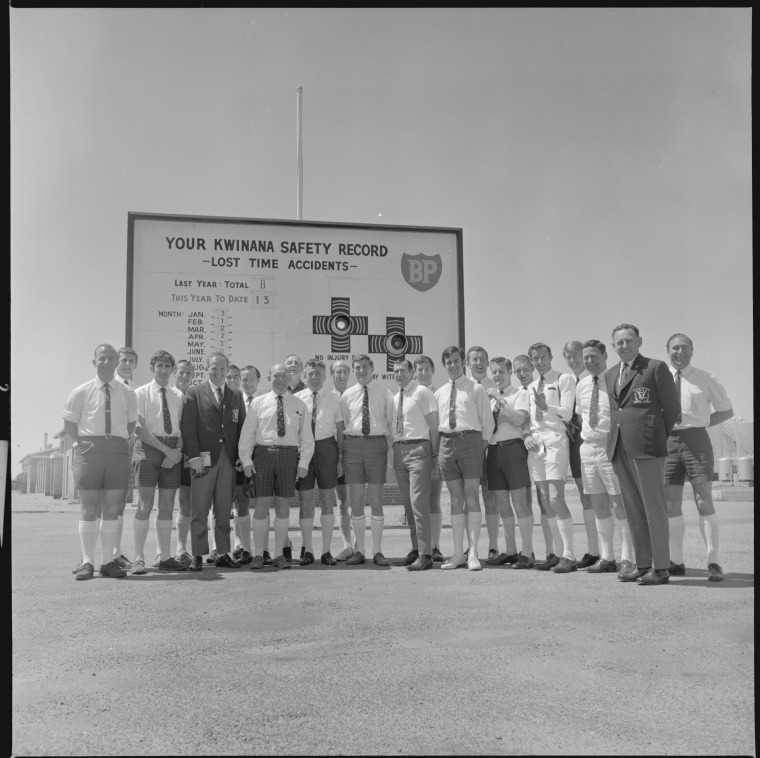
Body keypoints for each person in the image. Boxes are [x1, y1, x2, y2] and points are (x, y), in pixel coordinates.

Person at [606, 323, 680, 585]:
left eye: (629, 341)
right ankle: (643, 563)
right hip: (619, 446)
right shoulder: (610, 374)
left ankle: (661, 568)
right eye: (619, 342)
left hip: (647, 446)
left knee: (653, 508)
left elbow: (672, 410)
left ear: (639, 342)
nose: (624, 346)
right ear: (613, 346)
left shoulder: (655, 367)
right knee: (633, 509)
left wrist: (655, 435)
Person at [664, 333, 733, 582]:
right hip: (668, 442)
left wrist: (701, 423)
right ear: (667, 350)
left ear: (692, 350)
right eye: (674, 348)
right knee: (671, 505)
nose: (679, 352)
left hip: (696, 441)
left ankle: (713, 562)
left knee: (704, 502)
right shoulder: (660, 378)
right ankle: (676, 561)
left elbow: (726, 410)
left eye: (684, 348)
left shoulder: (705, 378)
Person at [65, 344, 138, 580]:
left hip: (117, 449)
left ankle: (108, 562)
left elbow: (130, 425)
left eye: (111, 358)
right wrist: (83, 444)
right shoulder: (80, 391)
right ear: (94, 362)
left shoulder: (127, 393)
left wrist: (117, 443)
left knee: (112, 507)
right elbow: (69, 424)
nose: (107, 362)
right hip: (89, 450)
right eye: (102, 358)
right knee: (89, 507)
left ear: (117, 361)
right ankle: (88, 562)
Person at [239, 363, 314, 569]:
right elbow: (247, 435)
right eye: (276, 377)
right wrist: (246, 460)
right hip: (263, 454)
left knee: (283, 506)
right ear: (269, 378)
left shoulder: (299, 405)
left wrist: (304, 462)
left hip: (289, 456)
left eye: (284, 376)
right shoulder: (259, 403)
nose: (280, 380)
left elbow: (306, 437)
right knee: (261, 505)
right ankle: (258, 555)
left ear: (289, 378)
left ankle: (280, 554)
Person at [180, 351, 247, 571]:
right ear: (207, 368)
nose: (218, 373)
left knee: (223, 509)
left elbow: (241, 430)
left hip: (228, 460)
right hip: (203, 461)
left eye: (222, 369)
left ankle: (223, 553)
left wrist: (240, 457)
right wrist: (194, 457)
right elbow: (188, 429)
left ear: (227, 370)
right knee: (199, 509)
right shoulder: (194, 393)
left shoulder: (236, 395)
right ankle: (198, 554)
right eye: (214, 368)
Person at [576, 340, 636, 574]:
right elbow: (582, 416)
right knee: (599, 505)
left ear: (604, 355)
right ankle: (607, 557)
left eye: (594, 356)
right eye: (586, 357)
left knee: (619, 504)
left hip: (611, 448)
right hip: (588, 448)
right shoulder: (581, 385)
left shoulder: (615, 380)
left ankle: (627, 558)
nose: (590, 361)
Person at [434, 346, 494, 571]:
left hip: (471, 441)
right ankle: (458, 553)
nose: (453, 365)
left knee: (471, 497)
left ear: (463, 363)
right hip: (446, 443)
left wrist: (481, 446)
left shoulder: (475, 388)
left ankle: (473, 554)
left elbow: (487, 423)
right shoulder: (439, 393)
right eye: (448, 362)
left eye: (456, 361)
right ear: (444, 365)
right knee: (455, 499)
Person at [130, 350, 187, 574]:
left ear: (173, 370)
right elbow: (139, 428)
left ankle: (165, 556)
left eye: (167, 366)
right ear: (152, 368)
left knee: (166, 506)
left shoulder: (178, 396)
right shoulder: (141, 393)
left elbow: (182, 428)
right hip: (148, 449)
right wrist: (166, 451)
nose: (163, 370)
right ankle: (138, 558)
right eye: (159, 366)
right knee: (144, 505)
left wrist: (177, 451)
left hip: (172, 449)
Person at [523, 342, 577, 574]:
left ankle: (570, 555)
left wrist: (547, 406)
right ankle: (555, 554)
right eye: (535, 359)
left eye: (543, 357)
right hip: (536, 445)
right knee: (545, 501)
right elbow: (527, 419)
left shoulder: (563, 379)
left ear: (551, 356)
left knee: (556, 498)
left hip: (555, 440)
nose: (539, 362)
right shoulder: (531, 386)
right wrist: (526, 436)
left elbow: (567, 413)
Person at [339, 354, 395, 566]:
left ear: (372, 367)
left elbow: (389, 424)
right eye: (357, 368)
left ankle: (378, 551)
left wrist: (388, 453)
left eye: (364, 367)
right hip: (352, 446)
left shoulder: (385, 393)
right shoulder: (347, 395)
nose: (361, 371)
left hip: (376, 445)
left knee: (377, 501)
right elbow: (345, 421)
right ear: (353, 371)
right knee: (356, 501)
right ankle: (359, 550)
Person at [485, 357, 534, 568]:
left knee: (520, 503)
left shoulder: (519, 394)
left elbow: (518, 420)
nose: (497, 376)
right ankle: (511, 550)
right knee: (502, 505)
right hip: (494, 451)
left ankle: (528, 552)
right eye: (493, 372)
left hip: (513, 449)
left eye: (501, 372)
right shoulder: (489, 400)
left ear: (509, 373)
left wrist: (501, 400)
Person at [296, 359, 344, 565]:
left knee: (326, 501)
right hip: (303, 450)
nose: (314, 377)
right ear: (304, 376)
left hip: (326, 449)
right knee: (306, 502)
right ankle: (307, 550)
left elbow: (340, 430)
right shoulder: (296, 399)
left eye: (318, 374)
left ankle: (326, 551)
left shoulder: (335, 399)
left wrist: (340, 457)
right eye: (311, 374)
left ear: (325, 376)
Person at [392, 359, 439, 571]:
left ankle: (426, 554)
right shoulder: (395, 397)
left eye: (403, 370)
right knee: (408, 506)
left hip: (419, 450)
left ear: (412, 372)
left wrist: (435, 454)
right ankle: (416, 548)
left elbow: (434, 426)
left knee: (418, 503)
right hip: (399, 450)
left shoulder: (422, 392)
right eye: (395, 371)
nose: (399, 374)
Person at [466, 346, 505, 564]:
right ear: (467, 363)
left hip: (491, 448)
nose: (479, 363)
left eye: (482, 359)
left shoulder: (497, 386)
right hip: (469, 450)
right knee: (468, 499)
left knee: (490, 499)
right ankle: (470, 547)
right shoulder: (464, 387)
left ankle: (493, 547)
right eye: (474, 359)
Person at [562, 340, 599, 568]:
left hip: (595, 441)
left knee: (602, 496)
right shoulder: (566, 382)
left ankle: (608, 552)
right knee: (585, 495)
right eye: (568, 356)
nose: (573, 359)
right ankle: (593, 550)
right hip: (575, 442)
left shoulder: (594, 379)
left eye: (576, 354)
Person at [513, 354, 552, 557]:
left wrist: (528, 433)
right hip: (518, 449)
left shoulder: (541, 388)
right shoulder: (516, 392)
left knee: (544, 499)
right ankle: (527, 551)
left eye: (525, 369)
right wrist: (525, 433)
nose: (522, 374)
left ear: (532, 368)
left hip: (538, 447)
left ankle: (551, 552)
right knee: (523, 502)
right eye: (517, 371)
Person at [413, 355, 445, 562]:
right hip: (415, 453)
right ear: (414, 373)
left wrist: (436, 453)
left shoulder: (440, 394)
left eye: (427, 369)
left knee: (433, 499)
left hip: (435, 451)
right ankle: (417, 548)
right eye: (420, 370)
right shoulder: (410, 394)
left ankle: (435, 547)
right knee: (416, 501)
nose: (423, 373)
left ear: (433, 370)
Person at [231, 364, 264, 565]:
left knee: (263, 504)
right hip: (237, 462)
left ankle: (265, 549)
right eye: (244, 379)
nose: (248, 383)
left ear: (258, 381)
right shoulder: (233, 401)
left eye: (252, 379)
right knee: (239, 503)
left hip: (259, 461)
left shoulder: (264, 401)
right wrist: (240, 457)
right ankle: (242, 547)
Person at [112, 346, 139, 567]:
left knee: (119, 503)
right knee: (100, 505)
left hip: (127, 452)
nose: (127, 364)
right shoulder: (107, 386)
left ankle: (115, 552)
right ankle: (91, 556)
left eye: (131, 361)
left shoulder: (136, 390)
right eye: (124, 360)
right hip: (107, 451)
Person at [330, 360, 355, 560]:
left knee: (354, 500)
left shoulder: (353, 395)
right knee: (341, 501)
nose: (341, 375)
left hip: (353, 453)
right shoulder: (328, 398)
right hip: (333, 454)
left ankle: (357, 544)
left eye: (345, 372)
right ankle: (347, 545)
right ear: (332, 375)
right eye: (338, 372)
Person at [172, 359, 195, 564]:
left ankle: (183, 548)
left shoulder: (194, 397)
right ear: (174, 373)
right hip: (170, 453)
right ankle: (164, 551)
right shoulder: (168, 395)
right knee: (166, 502)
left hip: (189, 456)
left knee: (187, 503)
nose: (185, 377)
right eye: (181, 373)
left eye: (189, 373)